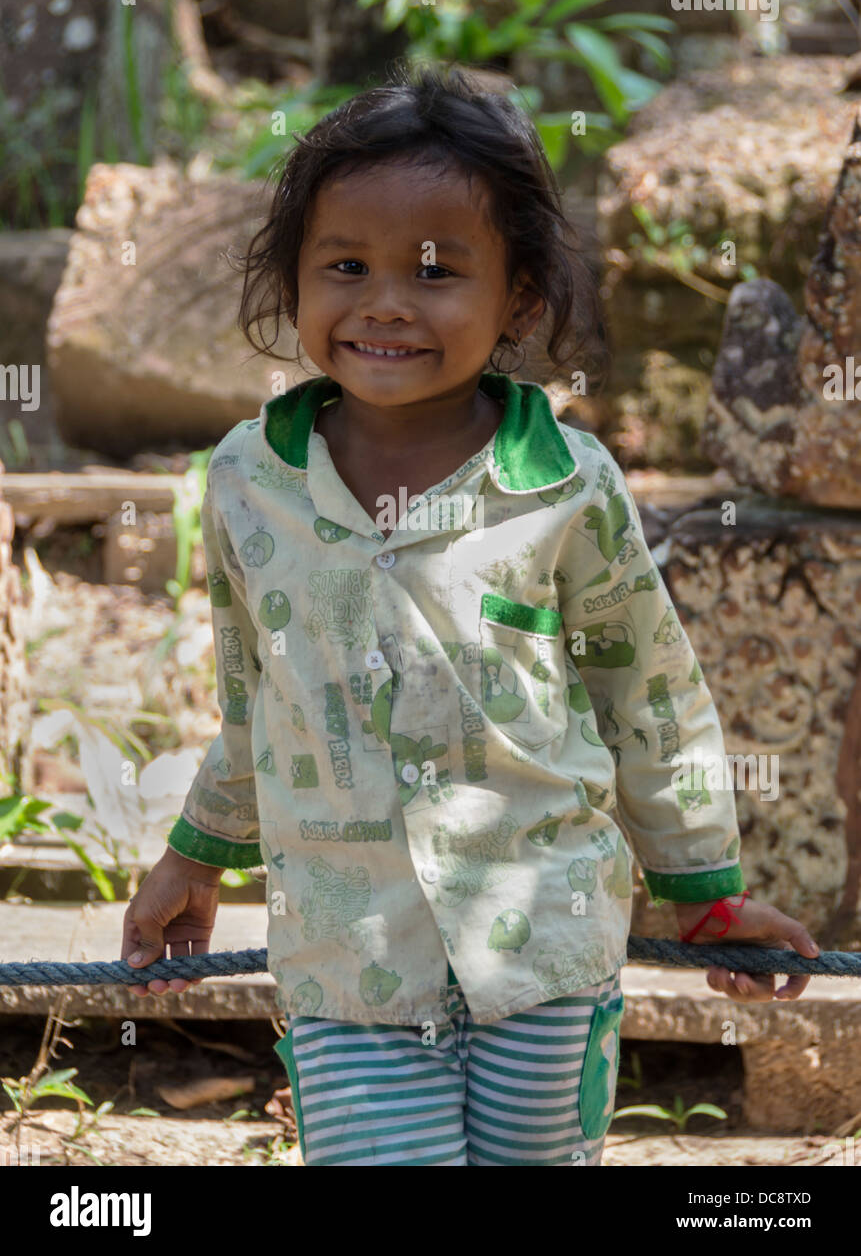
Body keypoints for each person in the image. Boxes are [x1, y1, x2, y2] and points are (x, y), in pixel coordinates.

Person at [121, 66, 820, 1167]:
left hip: (545, 948)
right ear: (293, 282)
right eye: (345, 265)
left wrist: (705, 892)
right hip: (348, 958)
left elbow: (648, 694)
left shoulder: (567, 485)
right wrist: (194, 857)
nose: (387, 300)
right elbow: (258, 696)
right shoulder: (251, 481)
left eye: (438, 271)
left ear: (522, 300)